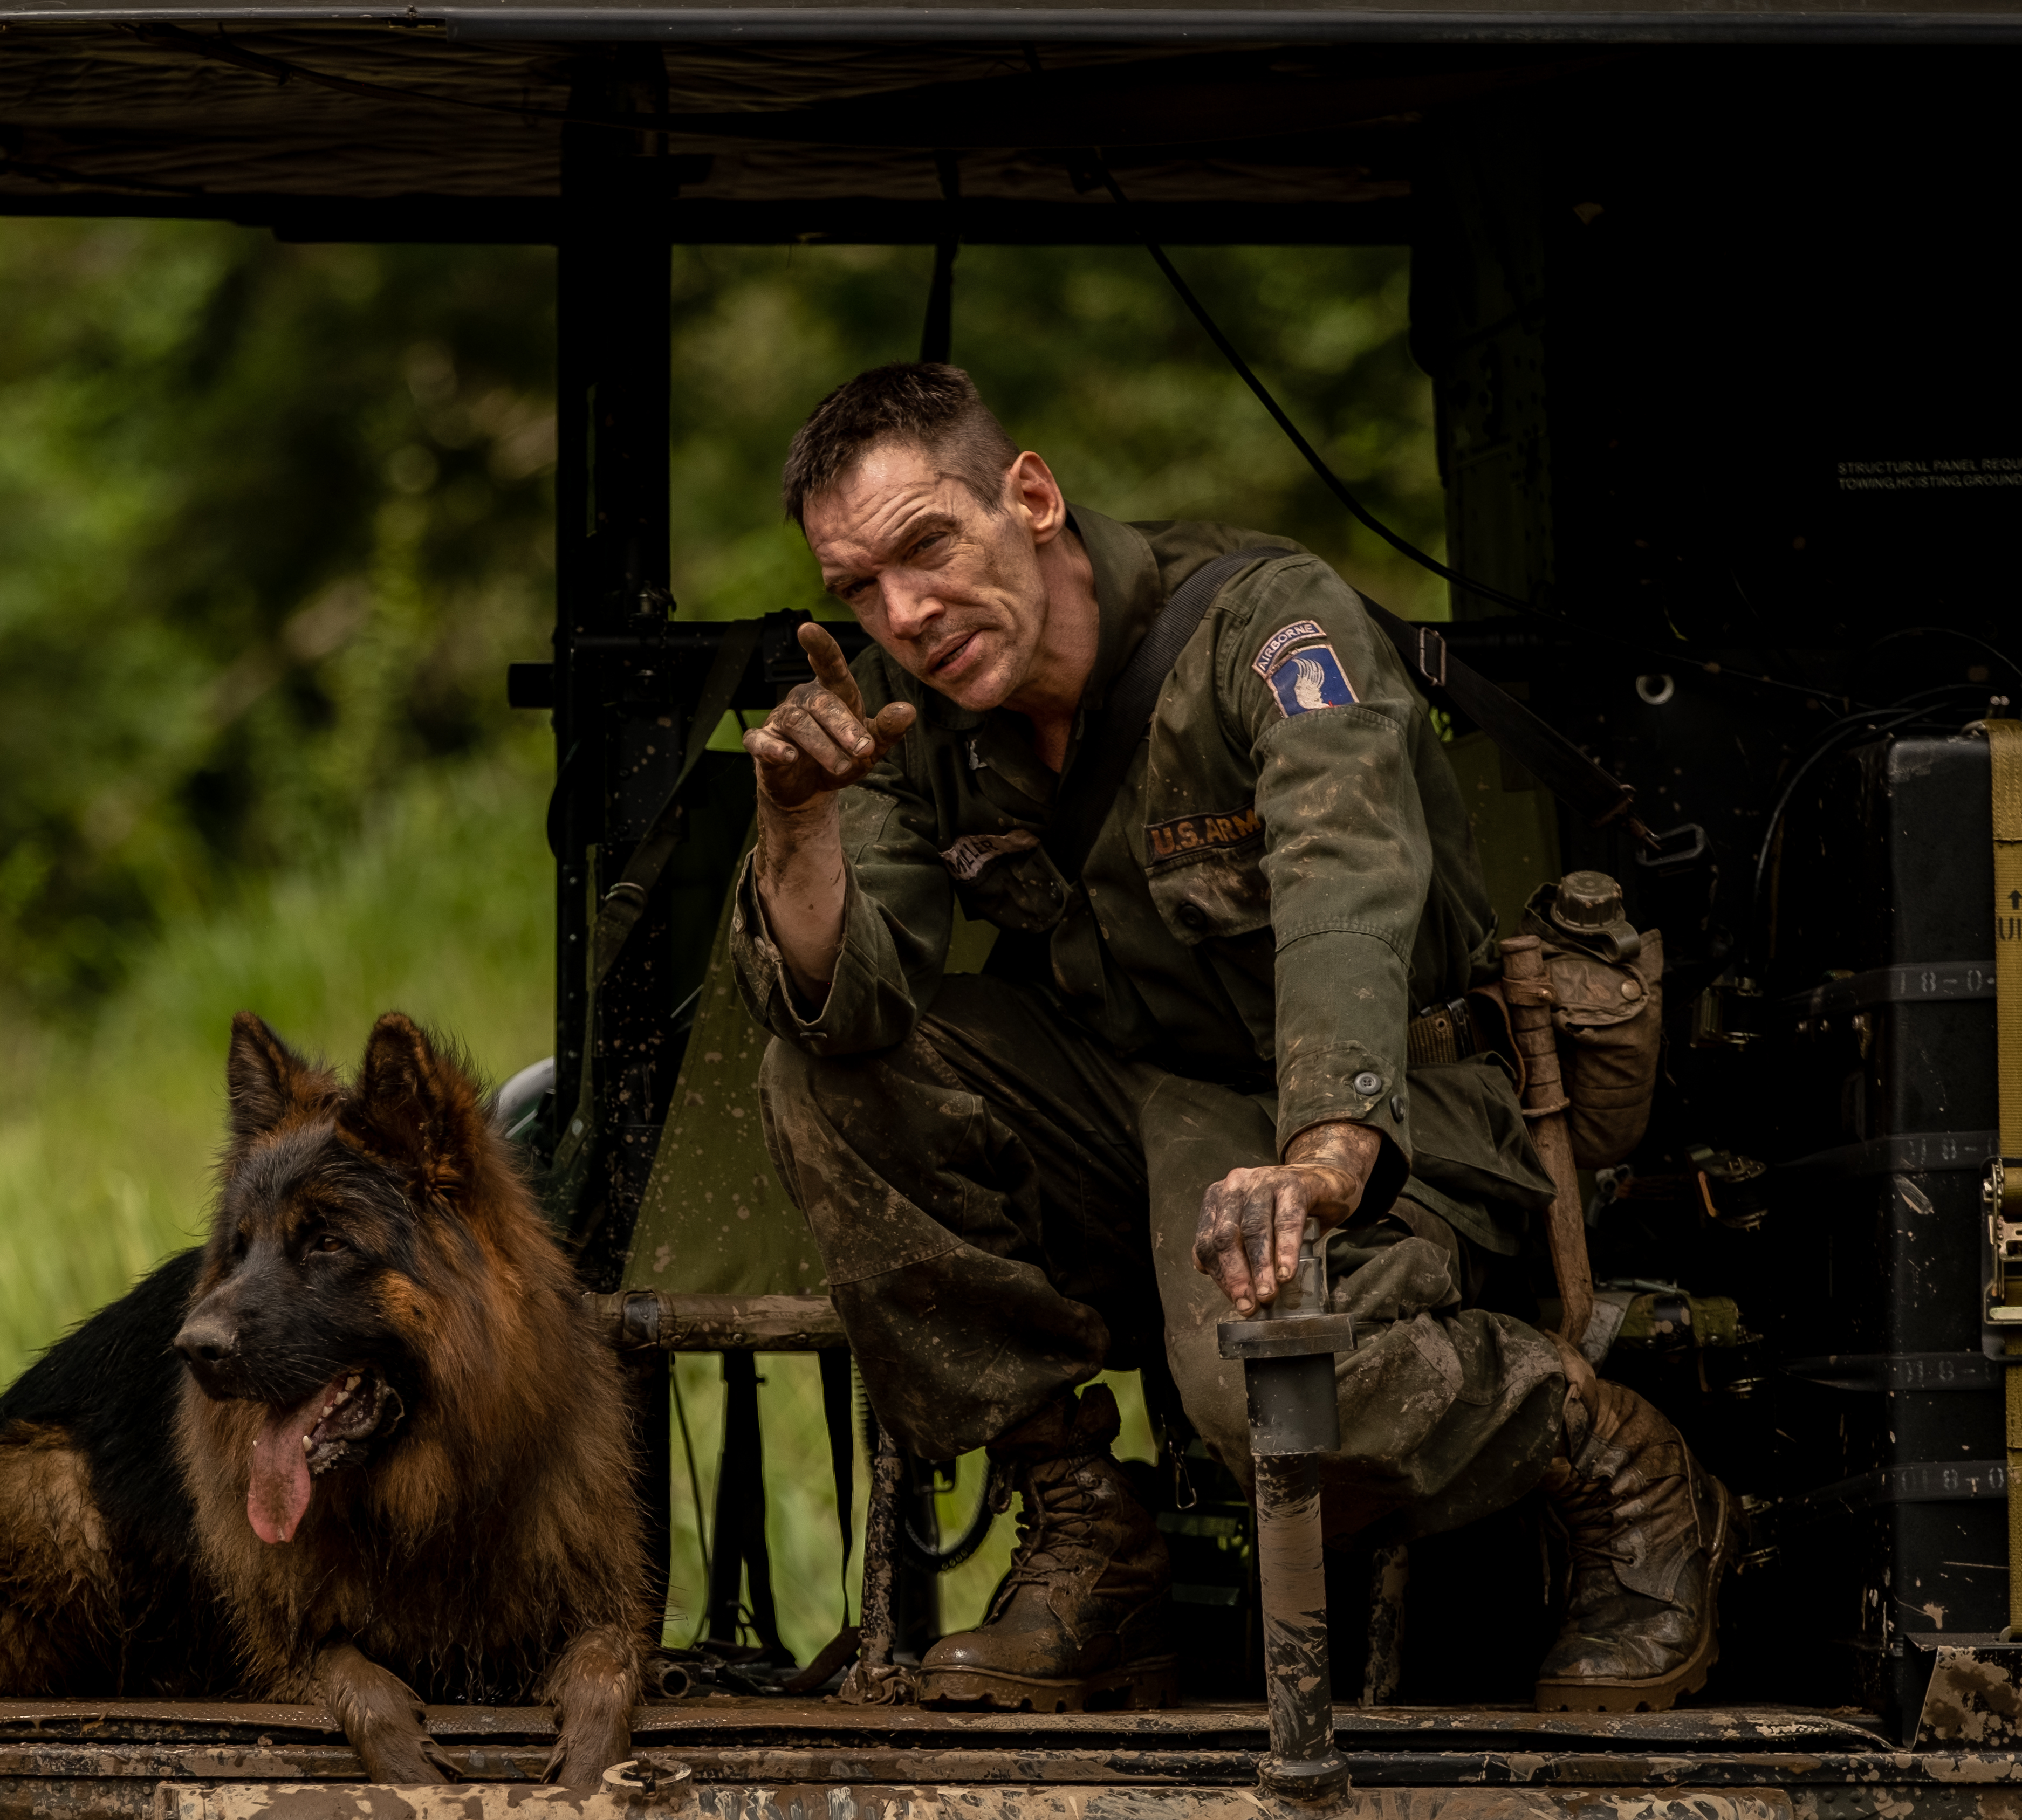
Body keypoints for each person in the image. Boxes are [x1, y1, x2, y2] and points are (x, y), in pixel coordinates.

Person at [732, 362, 1732, 1714]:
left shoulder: (1265, 626)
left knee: (1270, 1389)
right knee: (825, 1074)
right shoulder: (909, 721)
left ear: (1027, 495)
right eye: (859, 586)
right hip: (1143, 1110)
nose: (902, 613)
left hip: (1391, 1101)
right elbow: (845, 1007)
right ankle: (1091, 1533)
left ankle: (1601, 1448)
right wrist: (794, 821)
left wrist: (1318, 1163)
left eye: (926, 546)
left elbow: (1344, 883)